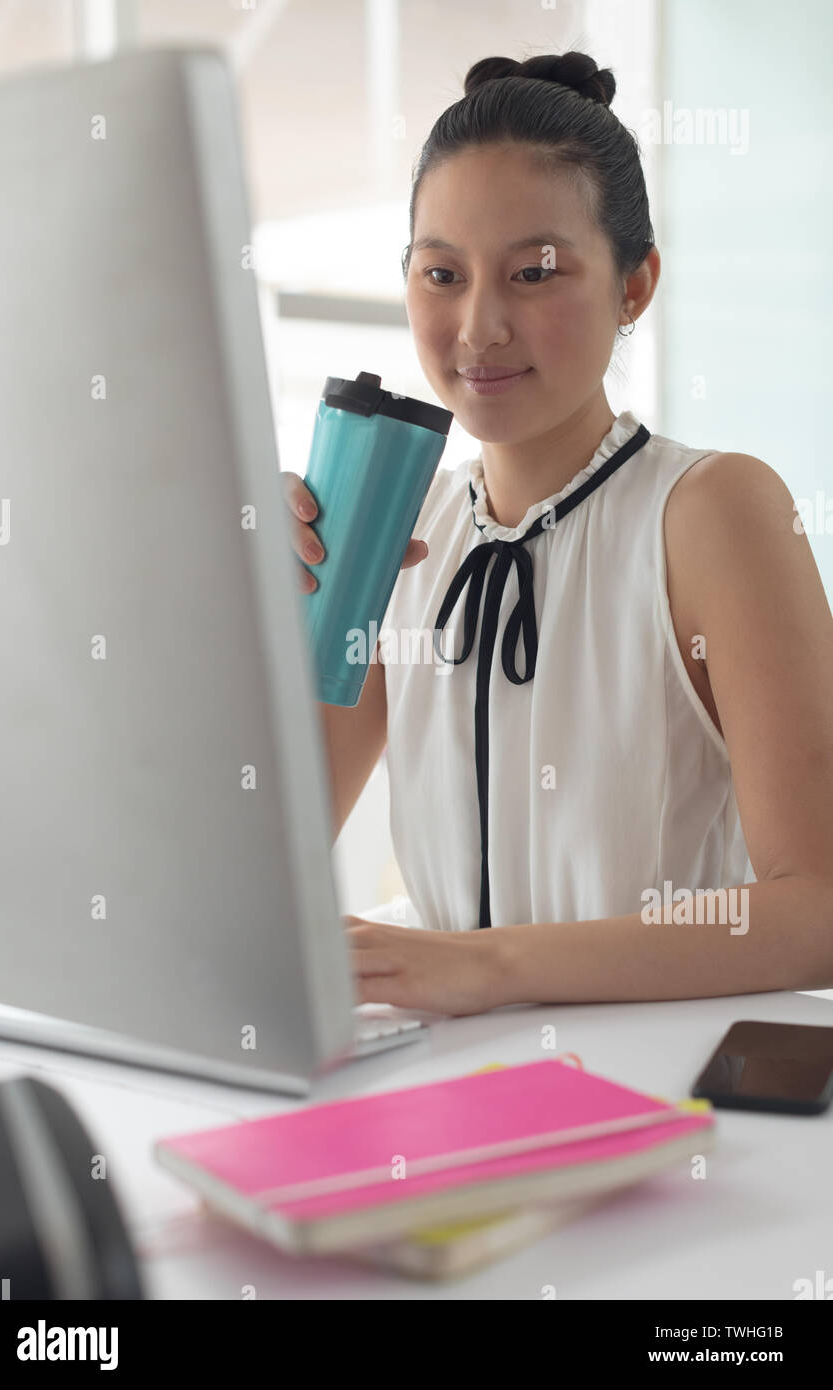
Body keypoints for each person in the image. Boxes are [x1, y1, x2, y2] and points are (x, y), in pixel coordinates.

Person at [282, 51, 833, 1016]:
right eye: (441, 274)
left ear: (636, 285)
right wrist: (254, 614)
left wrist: (479, 967)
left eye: (535, 272)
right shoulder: (397, 535)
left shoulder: (717, 511)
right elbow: (253, 865)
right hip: (443, 1093)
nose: (479, 328)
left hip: (677, 1096)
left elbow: (818, 911)